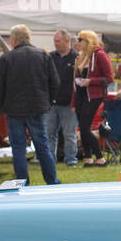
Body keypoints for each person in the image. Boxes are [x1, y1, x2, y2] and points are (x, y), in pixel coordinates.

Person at [0, 24, 60, 185]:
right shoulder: (43, 55)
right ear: (28, 38)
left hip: (14, 110)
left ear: (14, 39)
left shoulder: (7, 58)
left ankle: (22, 182)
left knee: (18, 149)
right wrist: (48, 102)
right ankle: (52, 181)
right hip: (37, 107)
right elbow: (55, 82)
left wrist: (2, 106)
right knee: (42, 145)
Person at [73, 30, 113, 167]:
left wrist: (90, 81)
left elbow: (109, 78)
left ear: (88, 41)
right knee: (82, 127)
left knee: (84, 128)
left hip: (94, 95)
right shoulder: (81, 56)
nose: (78, 43)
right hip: (80, 95)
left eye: (80, 40)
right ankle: (89, 158)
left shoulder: (100, 55)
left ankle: (100, 157)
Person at [44, 29, 79, 167]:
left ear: (66, 41)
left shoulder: (76, 58)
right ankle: (50, 160)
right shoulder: (50, 57)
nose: (55, 44)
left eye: (57, 41)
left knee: (69, 134)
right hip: (52, 103)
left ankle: (71, 161)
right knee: (49, 133)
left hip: (69, 104)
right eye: (54, 41)